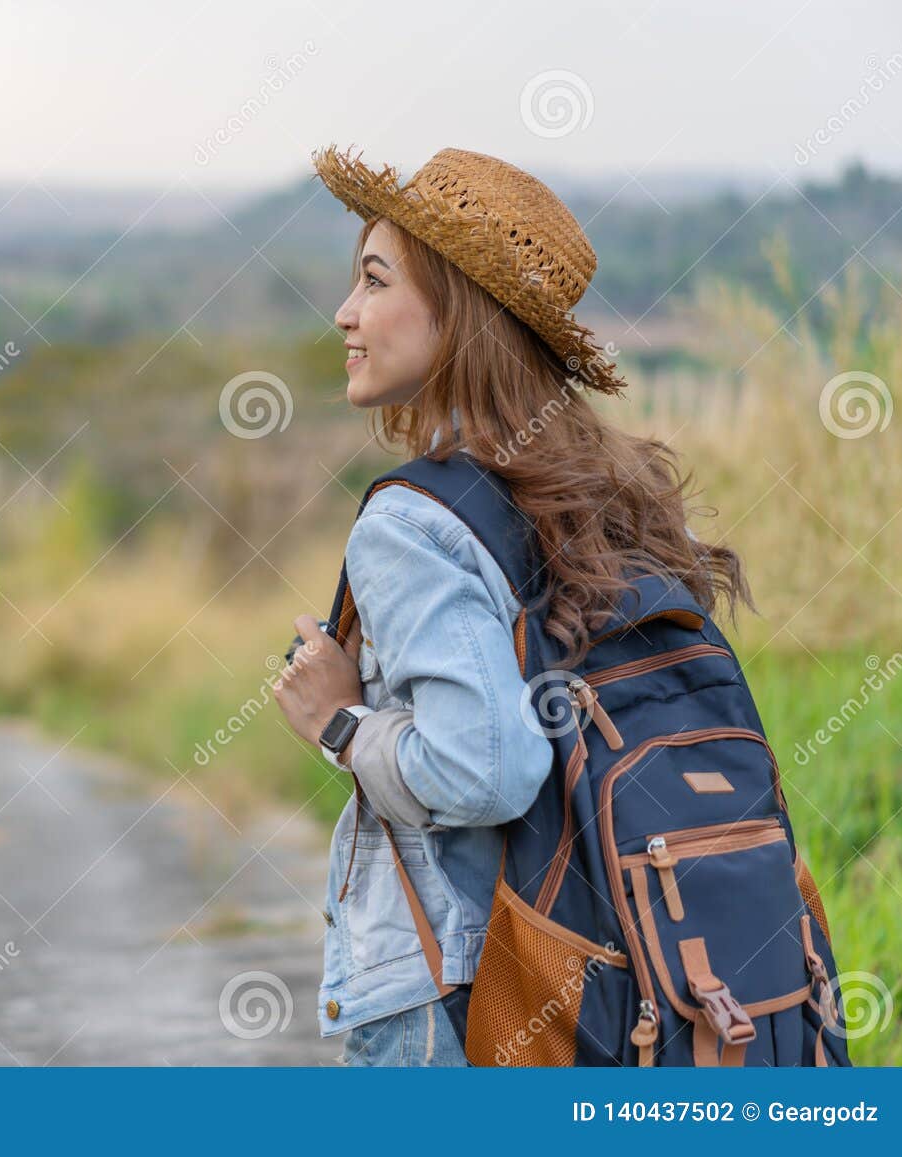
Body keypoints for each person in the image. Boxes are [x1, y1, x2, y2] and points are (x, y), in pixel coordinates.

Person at [272, 147, 751, 1066]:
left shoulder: (413, 524)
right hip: (613, 976)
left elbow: (482, 768)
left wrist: (339, 722)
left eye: (374, 281)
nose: (345, 312)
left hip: (454, 995)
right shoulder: (596, 493)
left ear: (455, 315)